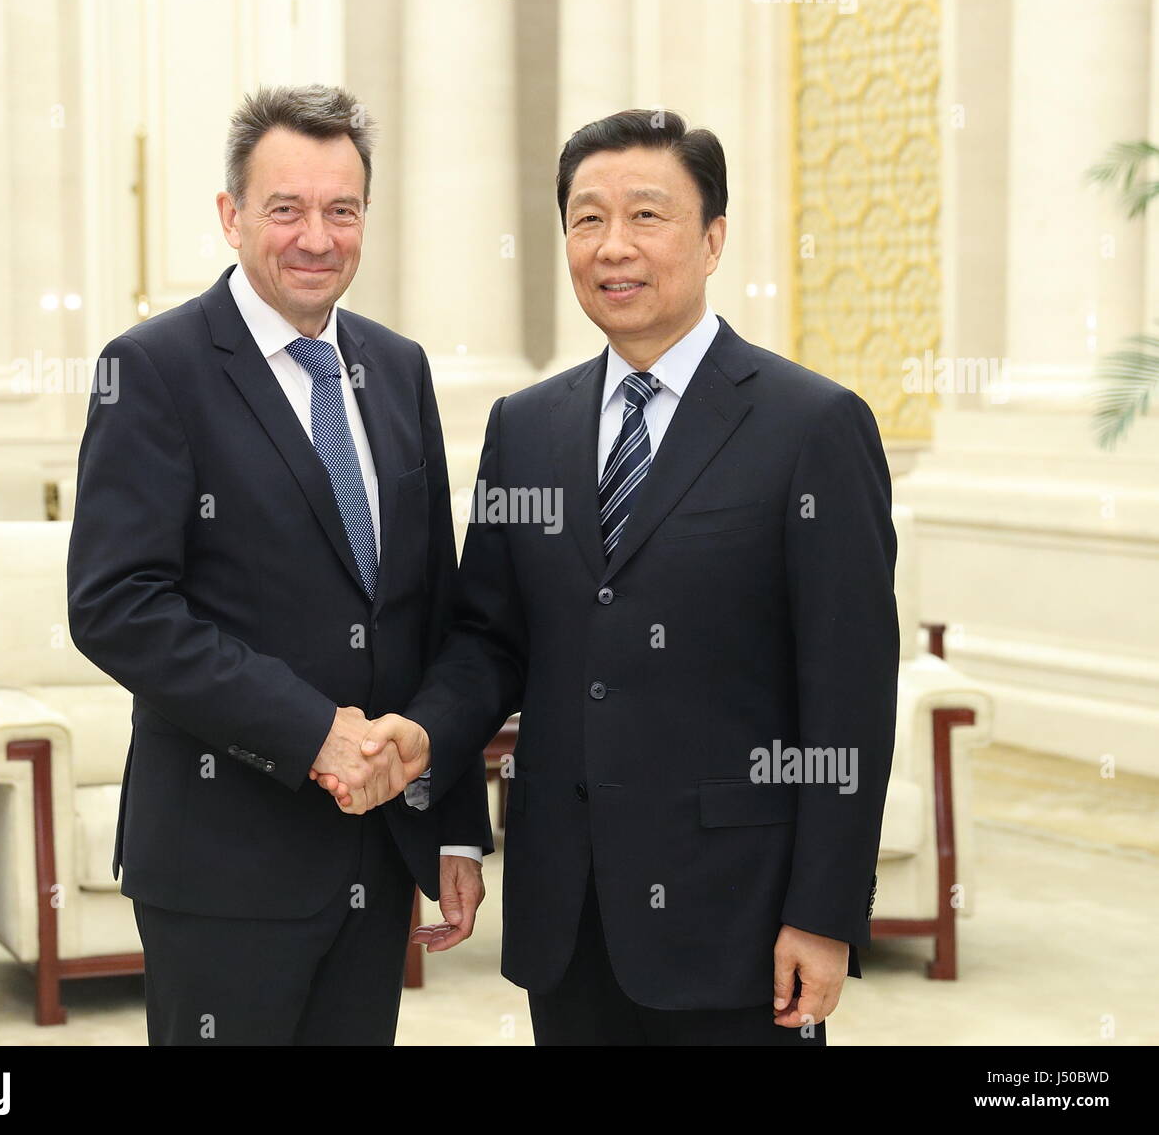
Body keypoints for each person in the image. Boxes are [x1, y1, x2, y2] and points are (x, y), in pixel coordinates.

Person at [319, 109, 899, 1046]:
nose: (613, 247)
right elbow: (488, 640)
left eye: (647, 216)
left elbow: (851, 695)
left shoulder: (812, 427)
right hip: (571, 917)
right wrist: (424, 735)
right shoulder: (527, 427)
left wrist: (825, 912)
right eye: (587, 220)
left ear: (713, 239)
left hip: (738, 920)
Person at [67, 84, 488, 1046]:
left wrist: (450, 820)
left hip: (376, 857)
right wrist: (313, 733)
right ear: (231, 217)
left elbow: (431, 614)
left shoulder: (399, 367)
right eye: (286, 208)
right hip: (223, 861)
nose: (316, 236)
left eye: (342, 210)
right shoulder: (154, 369)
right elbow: (117, 606)